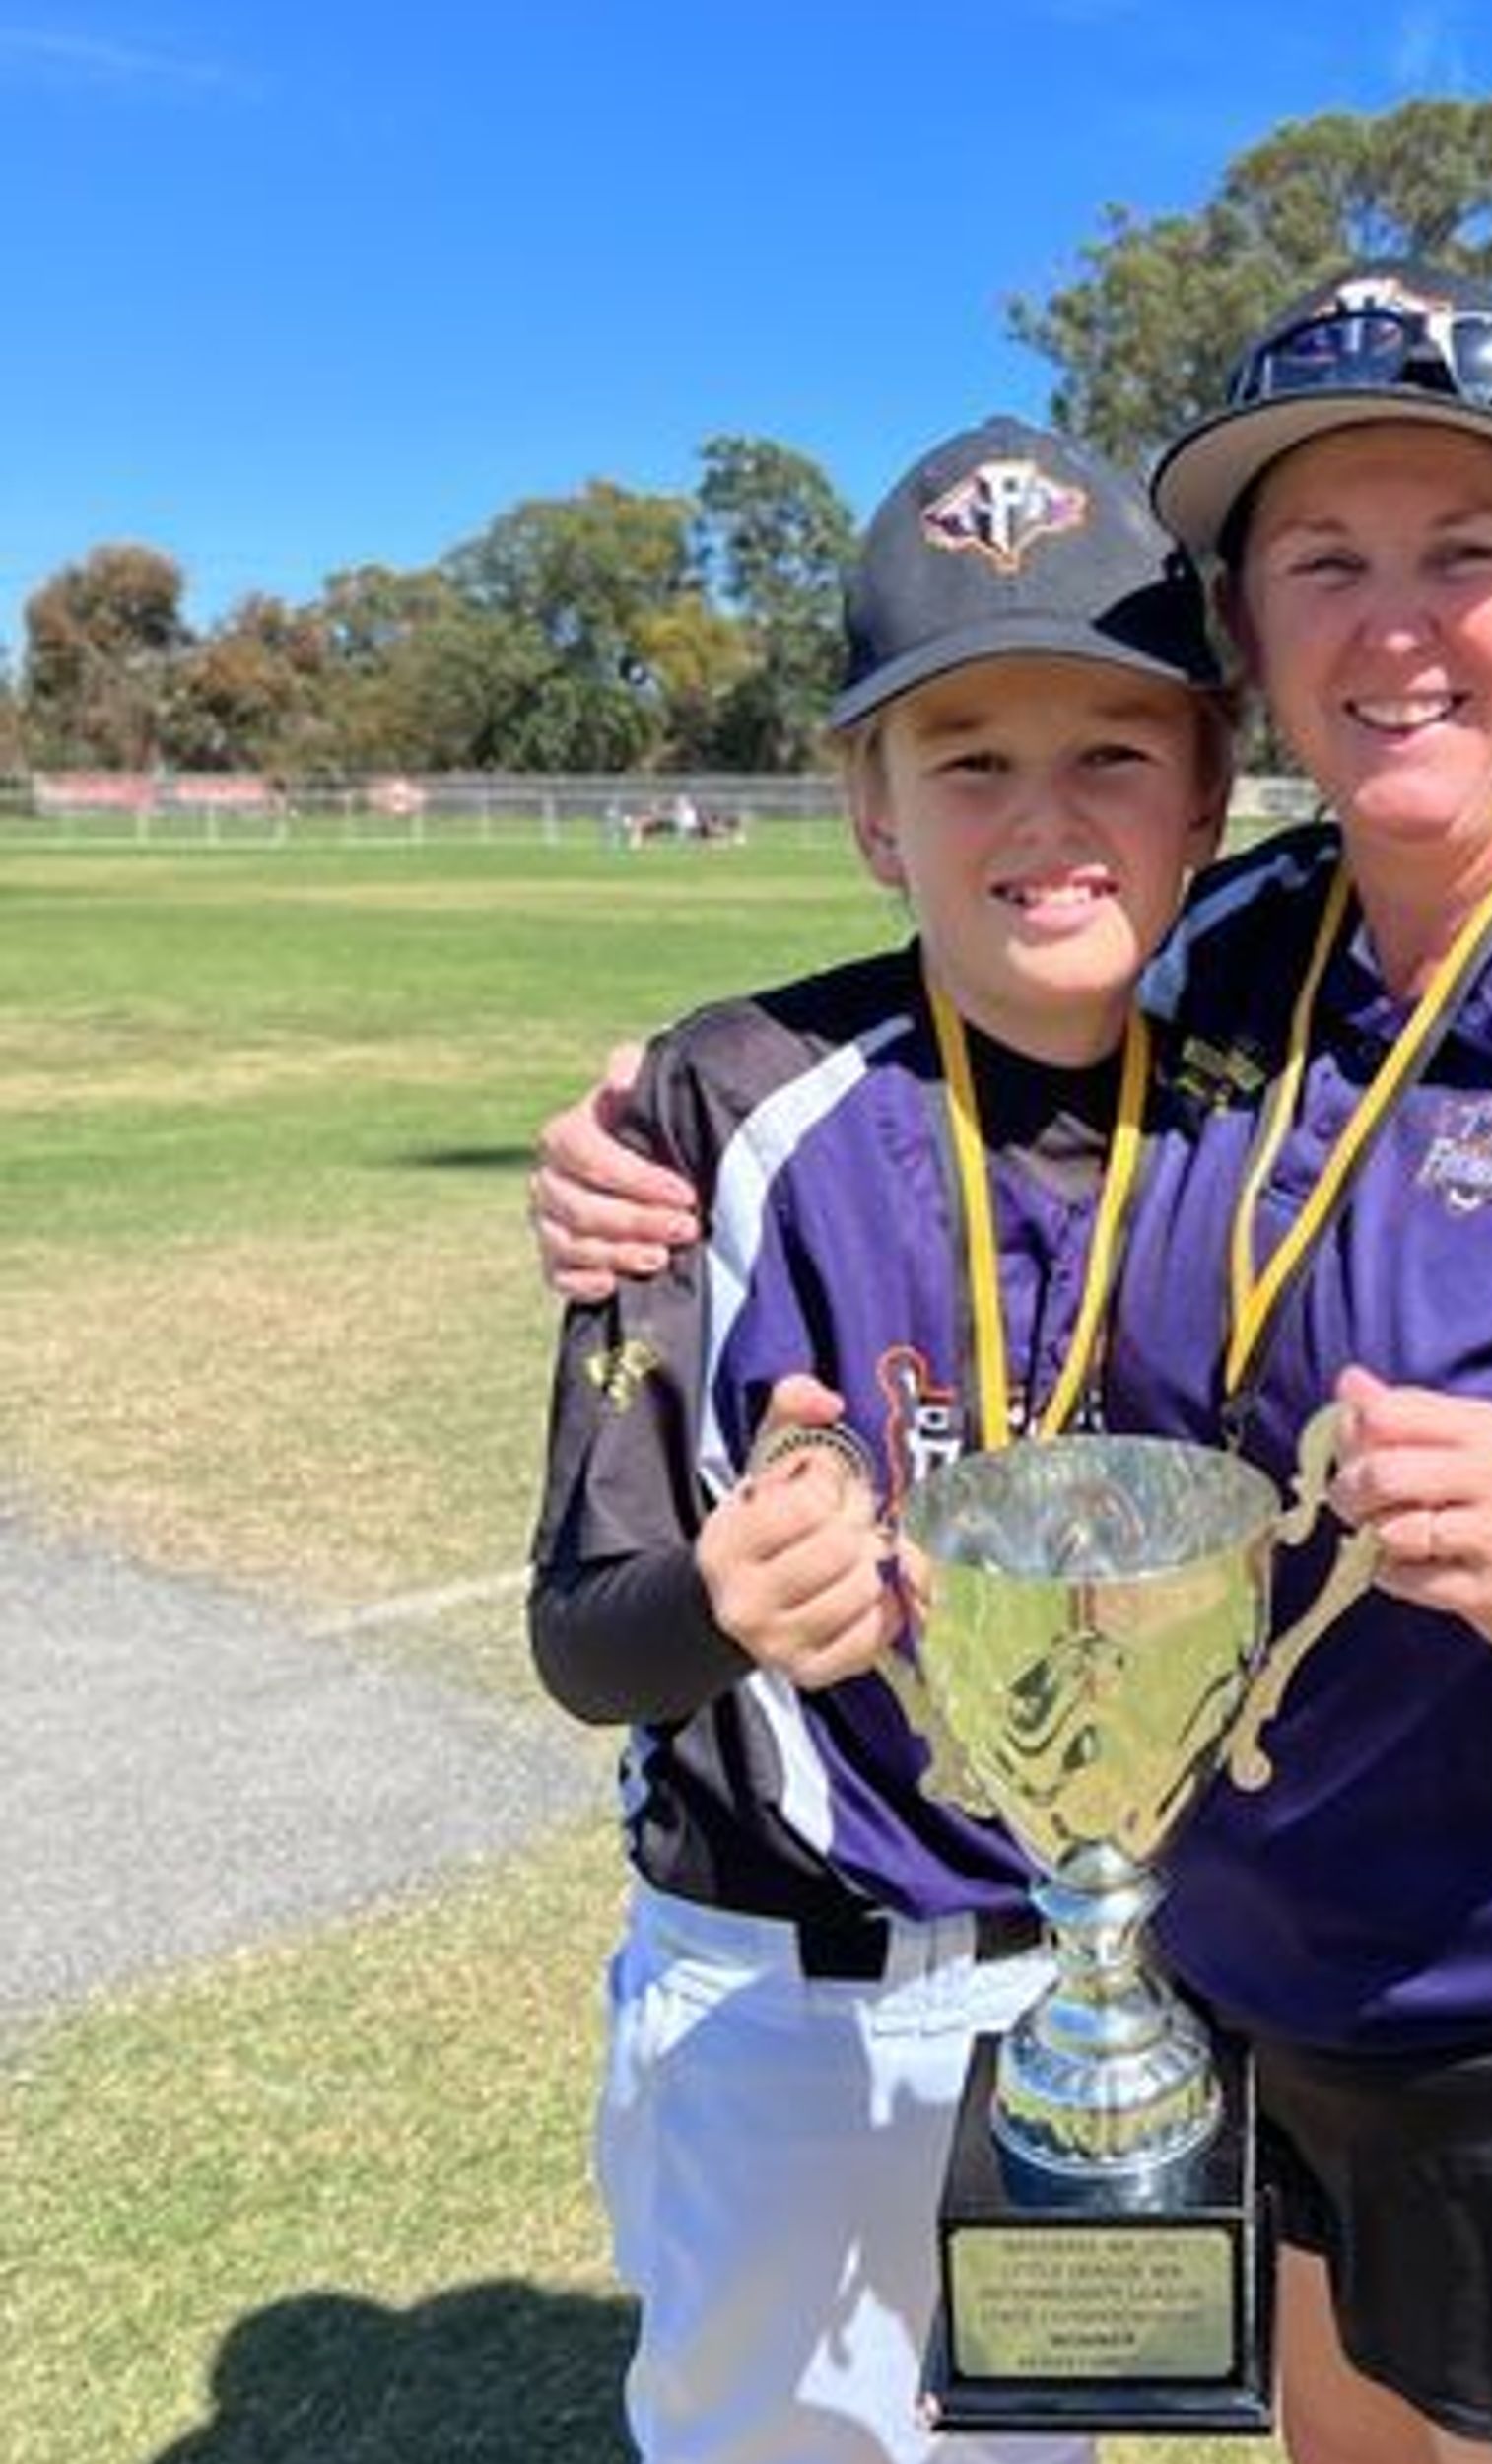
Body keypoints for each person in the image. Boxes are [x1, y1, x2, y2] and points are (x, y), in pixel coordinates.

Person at [531, 260, 1492, 2464]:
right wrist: (646, 1123)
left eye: (1461, 550)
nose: (1391, 622)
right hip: (1262, 1986)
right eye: (1319, 562)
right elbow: (970, 951)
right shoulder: (1235, 944)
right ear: (1250, 638)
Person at [528, 412, 1233, 2464]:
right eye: (965, 757)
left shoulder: (1274, 1106)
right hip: (786, 1999)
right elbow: (587, 1637)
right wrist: (726, 1598)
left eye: (1112, 747)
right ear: (866, 807)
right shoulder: (711, 1108)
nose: (1047, 818)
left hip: (1109, 1991)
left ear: (1203, 790)